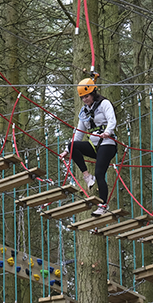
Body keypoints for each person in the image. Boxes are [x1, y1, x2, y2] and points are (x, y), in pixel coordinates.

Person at [60, 77, 118, 216]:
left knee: (100, 173)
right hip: (94, 144)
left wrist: (107, 132)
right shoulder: (84, 112)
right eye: (82, 97)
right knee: (73, 145)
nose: (85, 99)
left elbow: (112, 120)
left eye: (87, 96)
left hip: (108, 143)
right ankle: (87, 176)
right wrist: (67, 150)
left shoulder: (104, 104)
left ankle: (103, 205)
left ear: (93, 93)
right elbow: (79, 133)